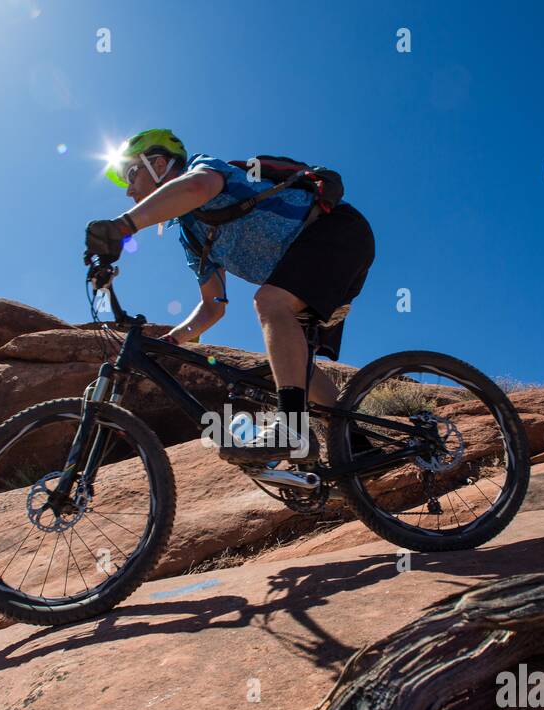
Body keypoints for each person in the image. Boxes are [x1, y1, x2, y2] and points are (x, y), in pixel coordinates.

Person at [84, 129, 375, 462]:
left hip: (337, 231)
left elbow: (196, 188)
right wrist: (174, 340)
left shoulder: (202, 169)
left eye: (132, 174)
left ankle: (292, 429)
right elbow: (213, 306)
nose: (129, 189)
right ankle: (358, 449)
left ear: (159, 164)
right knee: (295, 363)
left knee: (269, 302)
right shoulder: (192, 236)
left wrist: (122, 227)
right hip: (312, 262)